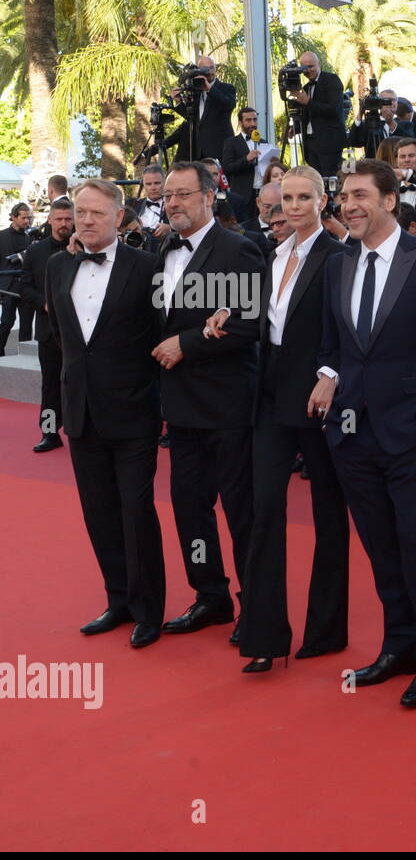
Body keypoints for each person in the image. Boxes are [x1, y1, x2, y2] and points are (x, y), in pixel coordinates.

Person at [309, 158, 416, 708]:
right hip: (352, 436)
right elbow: (334, 347)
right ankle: (397, 645)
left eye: (359, 195)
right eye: (343, 197)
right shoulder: (337, 264)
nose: (348, 206)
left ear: (389, 199)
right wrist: (328, 379)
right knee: (380, 547)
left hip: (411, 434)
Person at [203, 165, 352, 671]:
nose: (291, 206)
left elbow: (348, 328)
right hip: (269, 400)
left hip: (317, 400)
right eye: (285, 198)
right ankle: (265, 635)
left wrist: (330, 373)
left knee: (330, 516)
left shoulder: (339, 257)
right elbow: (265, 322)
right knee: (263, 510)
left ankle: (326, 629)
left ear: (321, 199)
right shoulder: (272, 256)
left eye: (302, 197)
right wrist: (229, 316)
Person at [45, 179, 166, 649]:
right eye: (81, 213)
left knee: (137, 512)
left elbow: (158, 333)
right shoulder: (58, 266)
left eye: (97, 213)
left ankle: (149, 610)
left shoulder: (147, 267)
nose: (87, 220)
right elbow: (59, 334)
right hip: (81, 411)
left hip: (133, 410)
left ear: (119, 216)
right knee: (98, 512)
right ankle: (118, 600)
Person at [153, 161, 264, 642]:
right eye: (168, 195)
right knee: (189, 508)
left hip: (228, 407)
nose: (172, 202)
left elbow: (249, 323)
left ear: (208, 197)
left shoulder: (238, 249)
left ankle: (255, 605)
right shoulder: (161, 250)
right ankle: (210, 595)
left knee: (241, 512)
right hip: (179, 408)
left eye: (182, 194)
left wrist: (188, 343)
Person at [20, 198, 73, 452]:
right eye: (59, 219)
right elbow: (24, 288)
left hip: (80, 330)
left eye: (68, 219)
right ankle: (50, 433)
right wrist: (44, 303)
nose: (64, 224)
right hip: (48, 330)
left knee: (81, 382)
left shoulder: (85, 247)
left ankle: (81, 431)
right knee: (50, 384)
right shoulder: (35, 251)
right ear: (50, 219)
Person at [163, 56, 236, 161]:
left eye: (212, 68)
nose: (209, 72)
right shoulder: (196, 91)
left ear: (215, 69)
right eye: (205, 69)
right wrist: (178, 102)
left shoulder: (226, 88)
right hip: (199, 152)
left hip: (220, 150)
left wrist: (209, 88)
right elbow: (191, 118)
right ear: (198, 71)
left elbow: (228, 104)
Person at [286, 53, 346, 176]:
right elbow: (308, 117)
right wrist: (296, 128)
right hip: (310, 144)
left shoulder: (331, 80)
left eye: (311, 66)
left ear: (319, 64)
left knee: (329, 179)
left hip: (329, 143)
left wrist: (308, 102)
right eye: (304, 68)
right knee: (315, 179)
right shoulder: (306, 87)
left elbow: (334, 110)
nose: (308, 70)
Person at [221, 107, 278, 206]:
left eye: (255, 120)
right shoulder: (231, 142)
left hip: (263, 193)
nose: (252, 124)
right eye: (248, 120)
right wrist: (246, 159)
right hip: (242, 195)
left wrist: (273, 164)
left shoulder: (264, 142)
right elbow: (227, 168)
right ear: (240, 122)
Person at [0, 202, 33, 350]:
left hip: (26, 287)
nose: (27, 221)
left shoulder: (30, 238)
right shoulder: (1, 236)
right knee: (7, 322)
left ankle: (24, 358)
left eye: (29, 218)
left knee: (26, 326)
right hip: (8, 287)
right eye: (24, 218)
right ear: (13, 217)